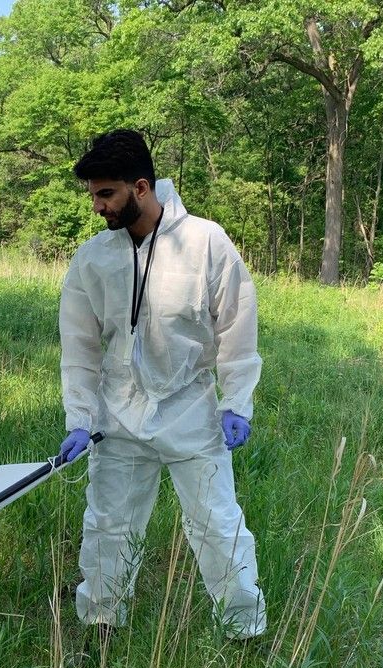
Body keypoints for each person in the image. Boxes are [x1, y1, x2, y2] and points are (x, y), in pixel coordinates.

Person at [58, 129, 266, 640]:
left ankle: (243, 629)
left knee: (217, 526)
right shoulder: (93, 259)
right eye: (93, 195)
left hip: (190, 411)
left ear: (142, 187)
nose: (97, 207)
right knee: (109, 525)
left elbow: (236, 324)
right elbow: (80, 348)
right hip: (119, 416)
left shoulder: (204, 243)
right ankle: (103, 619)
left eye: (106, 194)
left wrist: (237, 401)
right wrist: (80, 419)